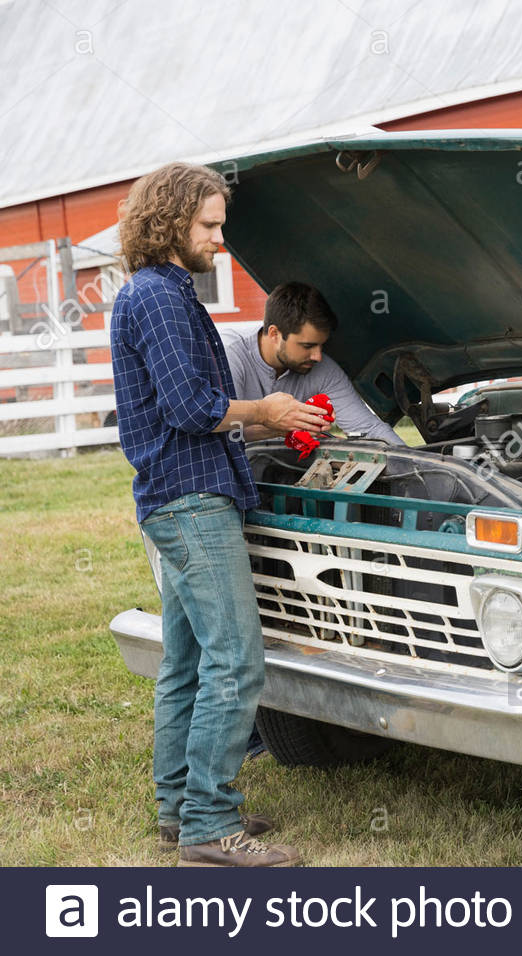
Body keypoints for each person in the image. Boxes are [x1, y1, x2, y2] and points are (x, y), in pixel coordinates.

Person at [110, 162, 329, 867]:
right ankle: (210, 828)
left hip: (177, 495)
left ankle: (179, 808)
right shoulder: (161, 300)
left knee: (188, 660)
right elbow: (191, 409)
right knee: (237, 658)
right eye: (209, 224)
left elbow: (191, 414)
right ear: (170, 221)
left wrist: (268, 421)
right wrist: (261, 409)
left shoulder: (158, 294)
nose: (220, 238)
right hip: (191, 503)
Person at [221, 282, 405, 445]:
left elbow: (368, 429)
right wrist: (284, 427)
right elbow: (221, 435)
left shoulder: (323, 368)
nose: (317, 356)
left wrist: (416, 462)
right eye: (307, 346)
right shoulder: (228, 354)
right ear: (275, 334)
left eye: (321, 345)